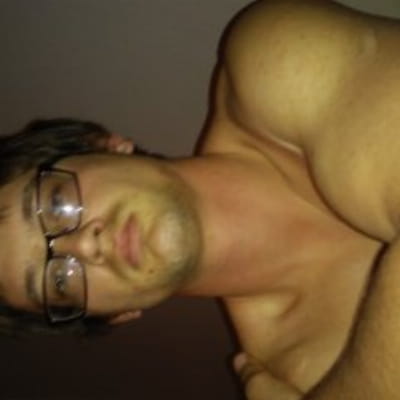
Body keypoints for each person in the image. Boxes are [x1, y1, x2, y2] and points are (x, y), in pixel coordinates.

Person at [0, 0, 398, 398]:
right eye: (59, 281)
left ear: (102, 145)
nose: (83, 246)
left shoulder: (270, 64)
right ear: (115, 315)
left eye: (56, 204)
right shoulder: (300, 377)